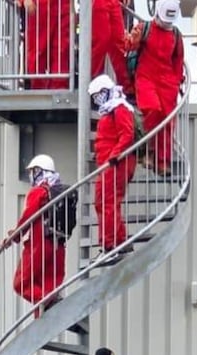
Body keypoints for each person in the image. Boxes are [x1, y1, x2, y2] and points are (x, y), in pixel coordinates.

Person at [128, 0, 185, 176]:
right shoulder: (143, 28)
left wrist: (176, 82)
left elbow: (178, 61)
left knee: (167, 122)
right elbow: (129, 47)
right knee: (151, 110)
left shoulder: (176, 35)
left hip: (168, 83)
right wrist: (134, 40)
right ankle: (146, 151)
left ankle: (162, 161)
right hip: (146, 77)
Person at [7, 155, 67, 312]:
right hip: (57, 245)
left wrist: (15, 236)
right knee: (46, 285)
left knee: (21, 283)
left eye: (33, 171)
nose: (30, 175)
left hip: (39, 243)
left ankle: (50, 305)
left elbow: (28, 216)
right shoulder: (58, 192)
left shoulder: (39, 192)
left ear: (39, 171)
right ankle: (48, 309)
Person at [89, 74, 136, 258]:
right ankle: (116, 241)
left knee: (108, 203)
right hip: (107, 164)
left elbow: (127, 134)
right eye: (95, 97)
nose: (97, 99)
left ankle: (111, 245)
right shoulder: (110, 110)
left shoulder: (120, 108)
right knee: (101, 203)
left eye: (99, 94)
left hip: (116, 164)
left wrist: (114, 155)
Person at [20, 0, 72, 90]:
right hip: (40, 6)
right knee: (38, 50)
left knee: (61, 50)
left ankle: (59, 88)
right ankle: (38, 89)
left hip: (62, 6)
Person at [92, 0, 130, 90]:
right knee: (100, 43)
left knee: (119, 43)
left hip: (113, 3)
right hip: (98, 2)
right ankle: (95, 86)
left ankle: (127, 87)